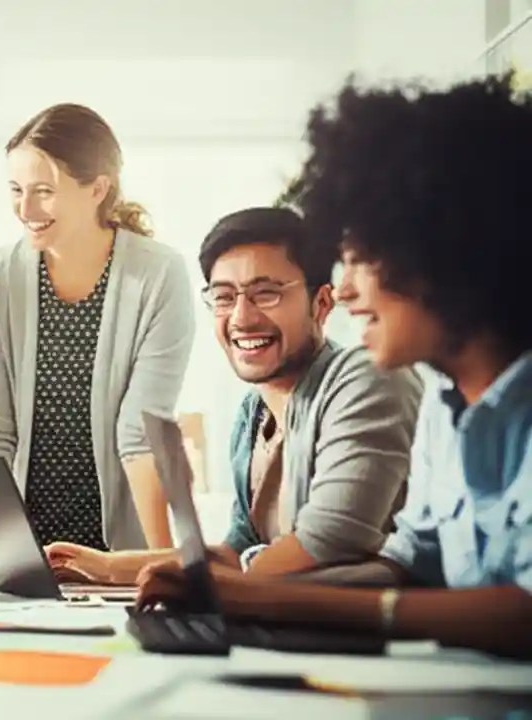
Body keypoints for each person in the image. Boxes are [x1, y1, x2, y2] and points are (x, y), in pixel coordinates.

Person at [137, 74, 532, 659]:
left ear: (445, 249)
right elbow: (404, 565)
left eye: (361, 260)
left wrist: (259, 597)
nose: (344, 292)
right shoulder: (443, 412)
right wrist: (235, 592)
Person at [47, 207, 422, 583]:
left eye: (266, 294)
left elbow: (326, 544)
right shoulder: (252, 414)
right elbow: (236, 552)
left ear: (321, 304)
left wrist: (201, 587)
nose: (241, 318)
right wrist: (107, 567)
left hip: (369, 618)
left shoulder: (367, 379)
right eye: (224, 297)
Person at [0, 103, 195, 553]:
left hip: (121, 550)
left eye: (44, 191)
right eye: (16, 189)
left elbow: (141, 431)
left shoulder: (158, 274)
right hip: (26, 549)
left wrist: (157, 560)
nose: (25, 208)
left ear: (98, 189)